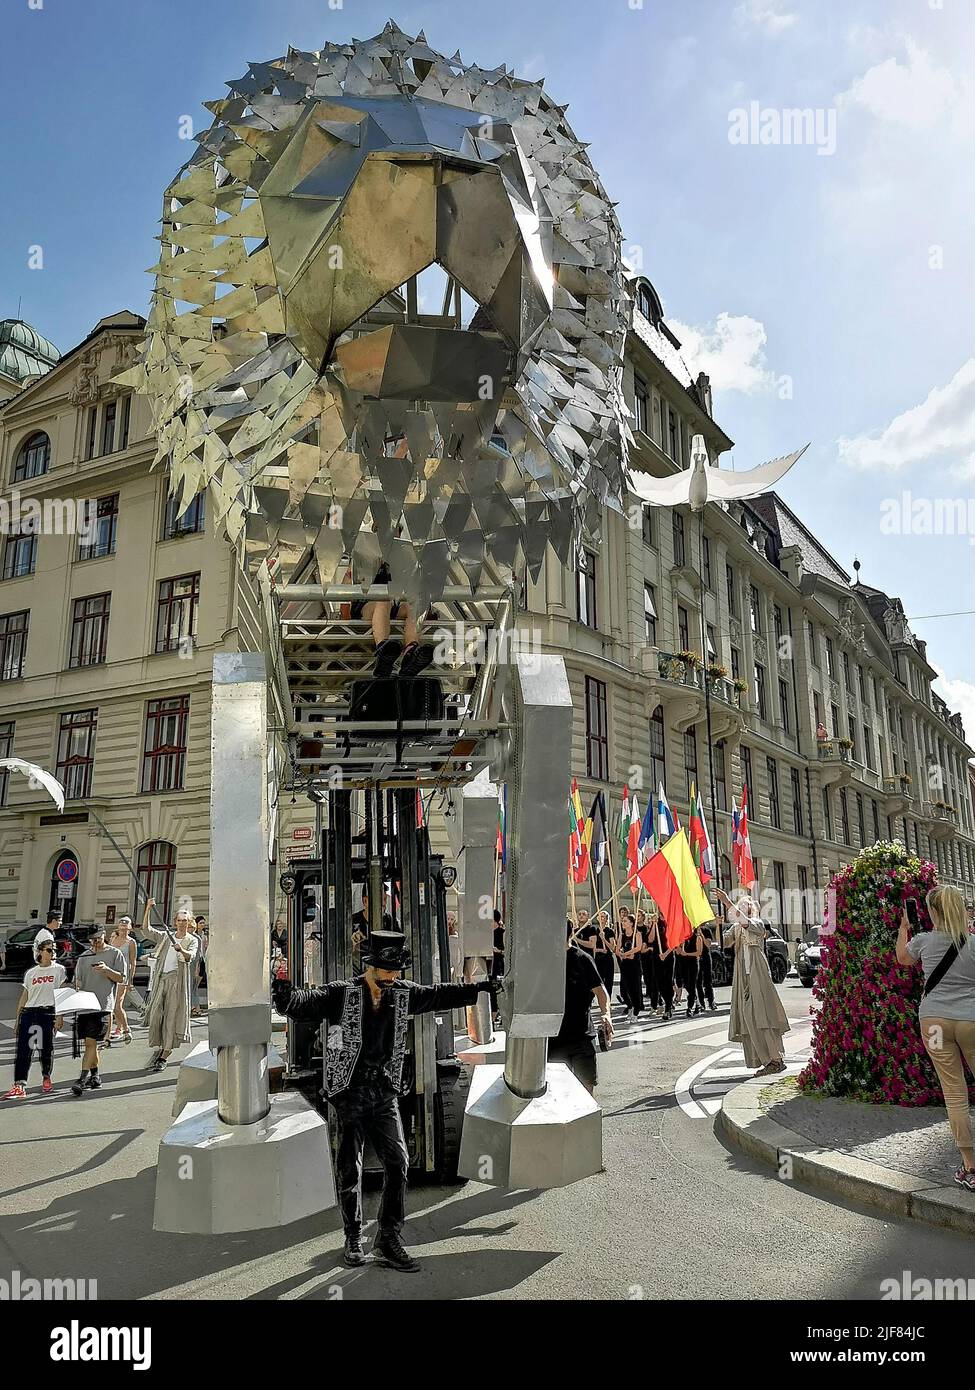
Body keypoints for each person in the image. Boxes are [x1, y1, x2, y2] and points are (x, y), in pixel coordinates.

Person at [273, 930, 494, 1272]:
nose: (392, 977)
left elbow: (438, 995)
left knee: (398, 1163)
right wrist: (285, 998)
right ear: (371, 967)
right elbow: (307, 1002)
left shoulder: (402, 994)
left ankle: (388, 1237)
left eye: (396, 972)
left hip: (384, 1093)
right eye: (386, 971)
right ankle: (352, 1237)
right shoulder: (343, 993)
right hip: (349, 1093)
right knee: (350, 1168)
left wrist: (479, 989)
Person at [896, 885, 975, 1193]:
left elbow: (903, 958)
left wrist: (904, 928)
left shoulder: (924, 941)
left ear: (933, 912)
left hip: (935, 1023)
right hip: (971, 1020)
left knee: (954, 1092)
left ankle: (970, 1167)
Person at [718, 889, 789, 1076]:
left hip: (757, 972)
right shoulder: (736, 928)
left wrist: (727, 902)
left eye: (744, 904)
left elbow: (747, 923)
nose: (740, 906)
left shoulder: (757, 923)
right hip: (743, 975)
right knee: (749, 1018)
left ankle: (776, 1059)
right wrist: (717, 926)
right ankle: (764, 1059)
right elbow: (724, 943)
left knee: (763, 1016)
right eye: (739, 904)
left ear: (751, 908)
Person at [549, 918, 614, 1095]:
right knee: (556, 1092)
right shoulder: (544, 961)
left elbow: (601, 992)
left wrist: (606, 1014)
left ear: (569, 934)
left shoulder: (582, 960)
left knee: (586, 1091)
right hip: (552, 1038)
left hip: (581, 1037)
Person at [140, 899, 199, 1073]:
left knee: (172, 1017)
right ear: (175, 922)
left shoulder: (192, 939)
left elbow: (190, 957)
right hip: (161, 979)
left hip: (176, 981)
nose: (182, 923)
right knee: (157, 1014)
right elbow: (146, 930)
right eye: (179, 920)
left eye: (185, 920)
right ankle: (160, 1047)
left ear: (189, 923)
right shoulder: (167, 936)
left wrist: (181, 949)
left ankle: (165, 1055)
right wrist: (148, 909)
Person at [351, 560, 435, 680]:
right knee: (383, 601)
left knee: (413, 606)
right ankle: (383, 649)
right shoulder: (364, 557)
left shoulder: (402, 561)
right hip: (367, 604)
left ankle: (410, 653)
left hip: (393, 604)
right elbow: (348, 583)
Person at [4, 940, 66, 1099]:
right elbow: (25, 996)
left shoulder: (59, 970)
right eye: (49, 950)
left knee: (45, 1049)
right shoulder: (31, 973)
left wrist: (60, 1016)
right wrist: (18, 1019)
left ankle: (46, 1077)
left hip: (47, 1013)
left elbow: (61, 994)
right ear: (40, 952)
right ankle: (19, 1085)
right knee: (24, 1050)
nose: (52, 953)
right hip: (29, 1013)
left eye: (54, 950)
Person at [70, 928, 128, 1097]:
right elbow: (78, 980)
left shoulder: (115, 954)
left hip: (102, 1005)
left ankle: (81, 1079)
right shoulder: (85, 956)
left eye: (98, 938)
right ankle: (95, 1077)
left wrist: (106, 970)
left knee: (90, 1043)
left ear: (104, 935)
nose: (95, 942)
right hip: (84, 1005)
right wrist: (73, 989)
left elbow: (122, 978)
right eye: (92, 940)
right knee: (91, 1045)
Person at [108, 917, 137, 1043]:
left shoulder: (131, 942)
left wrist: (130, 980)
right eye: (121, 923)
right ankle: (114, 1029)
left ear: (130, 927)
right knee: (109, 1004)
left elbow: (133, 962)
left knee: (117, 1005)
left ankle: (126, 1029)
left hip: (123, 976)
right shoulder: (113, 939)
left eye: (126, 924)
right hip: (110, 974)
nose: (123, 925)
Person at [616, 910, 644, 1019]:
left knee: (635, 987)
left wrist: (627, 953)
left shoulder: (637, 934)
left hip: (635, 964)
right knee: (624, 988)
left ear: (631, 923)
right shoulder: (621, 935)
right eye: (622, 921)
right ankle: (630, 1005)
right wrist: (623, 955)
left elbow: (638, 947)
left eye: (625, 921)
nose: (623, 923)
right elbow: (617, 950)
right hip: (625, 964)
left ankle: (636, 1010)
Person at [677, 926, 703, 1018]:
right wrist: (679, 947)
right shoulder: (682, 938)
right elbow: (678, 951)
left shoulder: (697, 938)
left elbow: (699, 952)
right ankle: (697, 1002)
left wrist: (687, 954)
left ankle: (689, 1007)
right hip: (683, 963)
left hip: (693, 963)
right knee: (687, 985)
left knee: (692, 985)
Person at [696, 924, 717, 1013]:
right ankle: (701, 1003)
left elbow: (708, 944)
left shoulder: (706, 930)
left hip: (706, 956)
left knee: (708, 980)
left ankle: (711, 1001)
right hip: (696, 957)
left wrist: (702, 935)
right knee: (698, 981)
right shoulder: (691, 931)